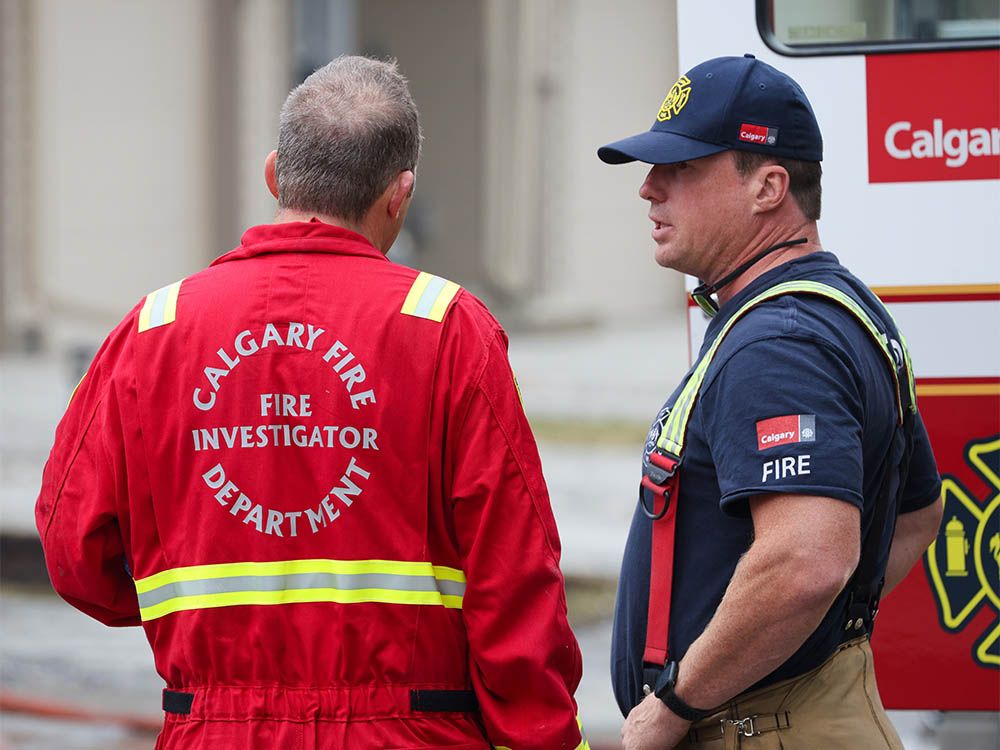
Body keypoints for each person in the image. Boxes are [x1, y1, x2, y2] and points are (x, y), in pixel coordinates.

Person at [36, 55, 589, 750]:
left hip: (212, 727)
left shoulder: (155, 328)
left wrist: (191, 617)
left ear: (274, 174)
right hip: (413, 729)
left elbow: (73, 551)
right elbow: (514, 574)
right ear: (400, 194)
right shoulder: (446, 327)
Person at [597, 54, 943, 749]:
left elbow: (806, 561)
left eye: (683, 168)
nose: (649, 189)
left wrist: (675, 705)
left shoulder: (778, 343)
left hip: (764, 729)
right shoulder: (833, 309)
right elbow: (917, 513)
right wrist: (812, 639)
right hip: (786, 718)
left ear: (769, 186)